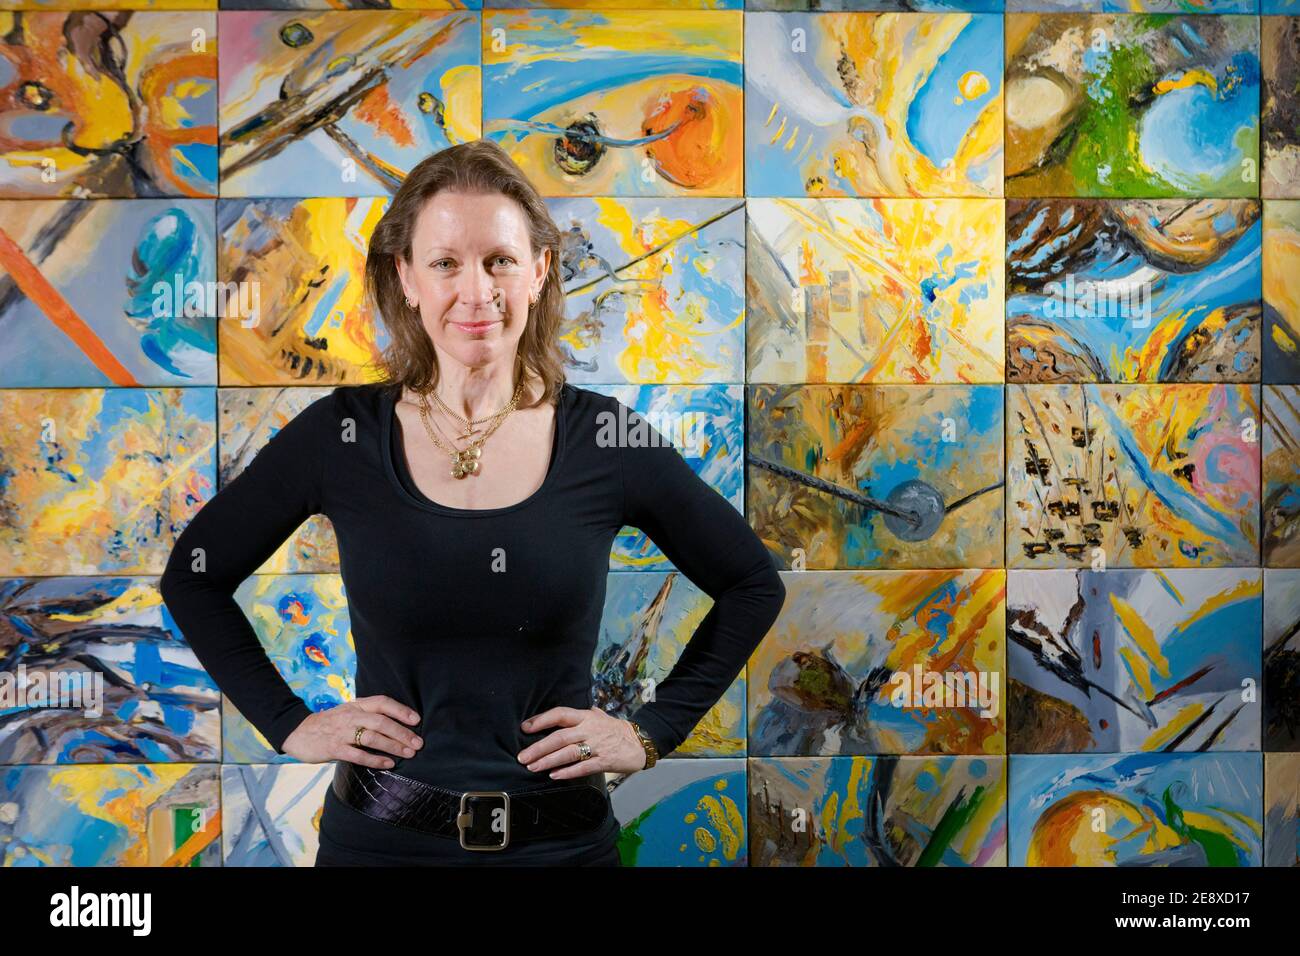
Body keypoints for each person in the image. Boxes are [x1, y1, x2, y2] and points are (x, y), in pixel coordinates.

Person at [159, 139, 787, 866]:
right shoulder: (341, 433)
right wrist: (288, 724)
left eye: (500, 260)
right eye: (446, 262)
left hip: (562, 853)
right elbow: (194, 576)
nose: (475, 289)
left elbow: (751, 583)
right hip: (380, 848)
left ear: (539, 270)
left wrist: (650, 734)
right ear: (407, 278)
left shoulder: (608, 439)